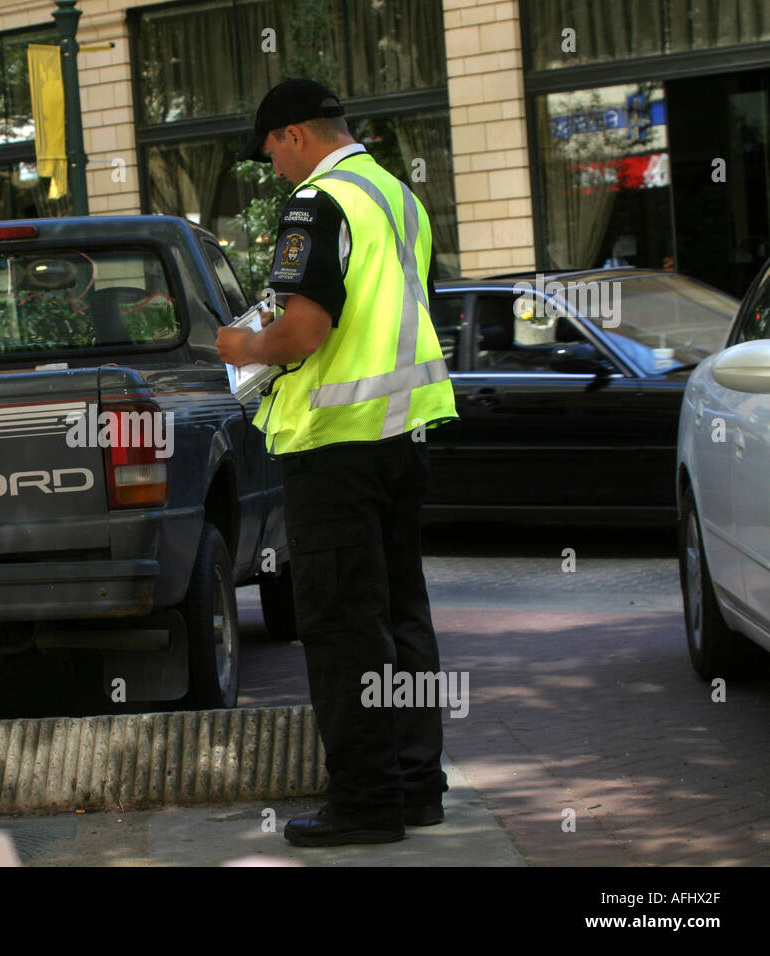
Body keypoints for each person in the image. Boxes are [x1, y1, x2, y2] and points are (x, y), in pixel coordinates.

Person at [216, 78, 459, 847]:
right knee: (401, 615)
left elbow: (304, 331)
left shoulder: (318, 203)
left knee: (344, 628)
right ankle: (417, 787)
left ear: (294, 134)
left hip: (334, 445)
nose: (274, 170)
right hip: (402, 436)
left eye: (271, 154)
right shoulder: (396, 196)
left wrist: (240, 347)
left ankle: (363, 804)